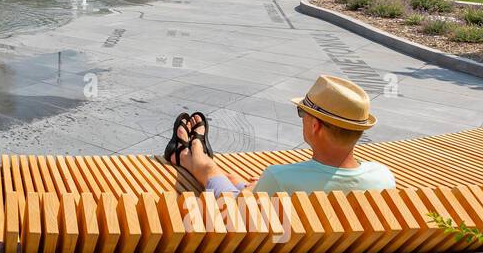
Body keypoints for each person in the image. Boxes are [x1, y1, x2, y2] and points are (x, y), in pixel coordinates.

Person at [164, 75, 395, 194]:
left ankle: (190, 151)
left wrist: (254, 190)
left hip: (239, 217)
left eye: (302, 112)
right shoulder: (383, 176)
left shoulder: (280, 178)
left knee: (209, 170)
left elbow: (243, 215)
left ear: (315, 126)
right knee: (234, 178)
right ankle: (187, 152)